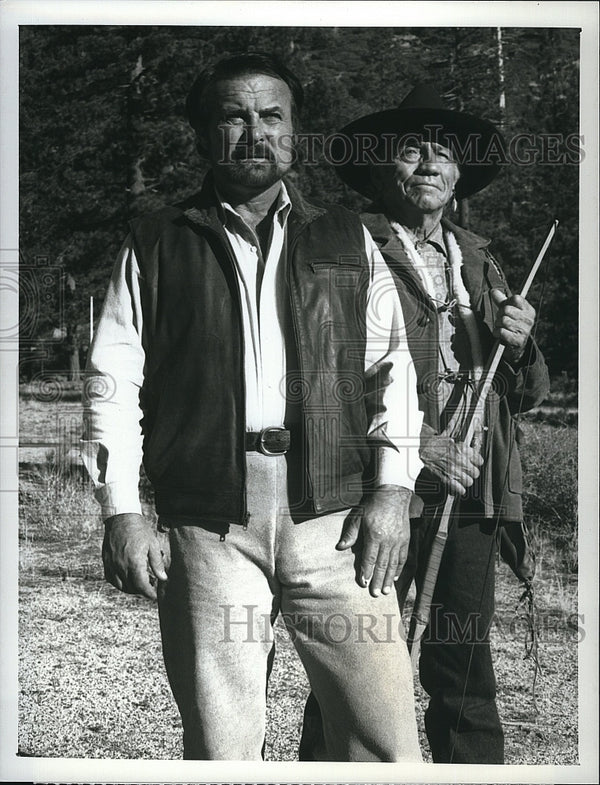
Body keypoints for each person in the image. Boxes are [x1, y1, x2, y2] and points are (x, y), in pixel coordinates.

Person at [80, 53, 425, 762]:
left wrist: (392, 490)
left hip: (334, 516)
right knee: (221, 744)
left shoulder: (346, 237)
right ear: (206, 135)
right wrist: (121, 510)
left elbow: (392, 370)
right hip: (209, 519)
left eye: (272, 115)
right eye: (233, 116)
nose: (254, 131)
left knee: (385, 741)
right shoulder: (156, 243)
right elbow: (111, 377)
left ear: (294, 132)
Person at [299, 84, 550, 764]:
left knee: (464, 675)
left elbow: (522, 395)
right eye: (412, 152)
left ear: (460, 174)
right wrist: (420, 445)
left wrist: (521, 344)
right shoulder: (346, 250)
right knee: (353, 672)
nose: (430, 165)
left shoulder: (481, 259)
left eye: (443, 154)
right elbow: (322, 378)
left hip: (471, 497)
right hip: (377, 494)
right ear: (383, 169)